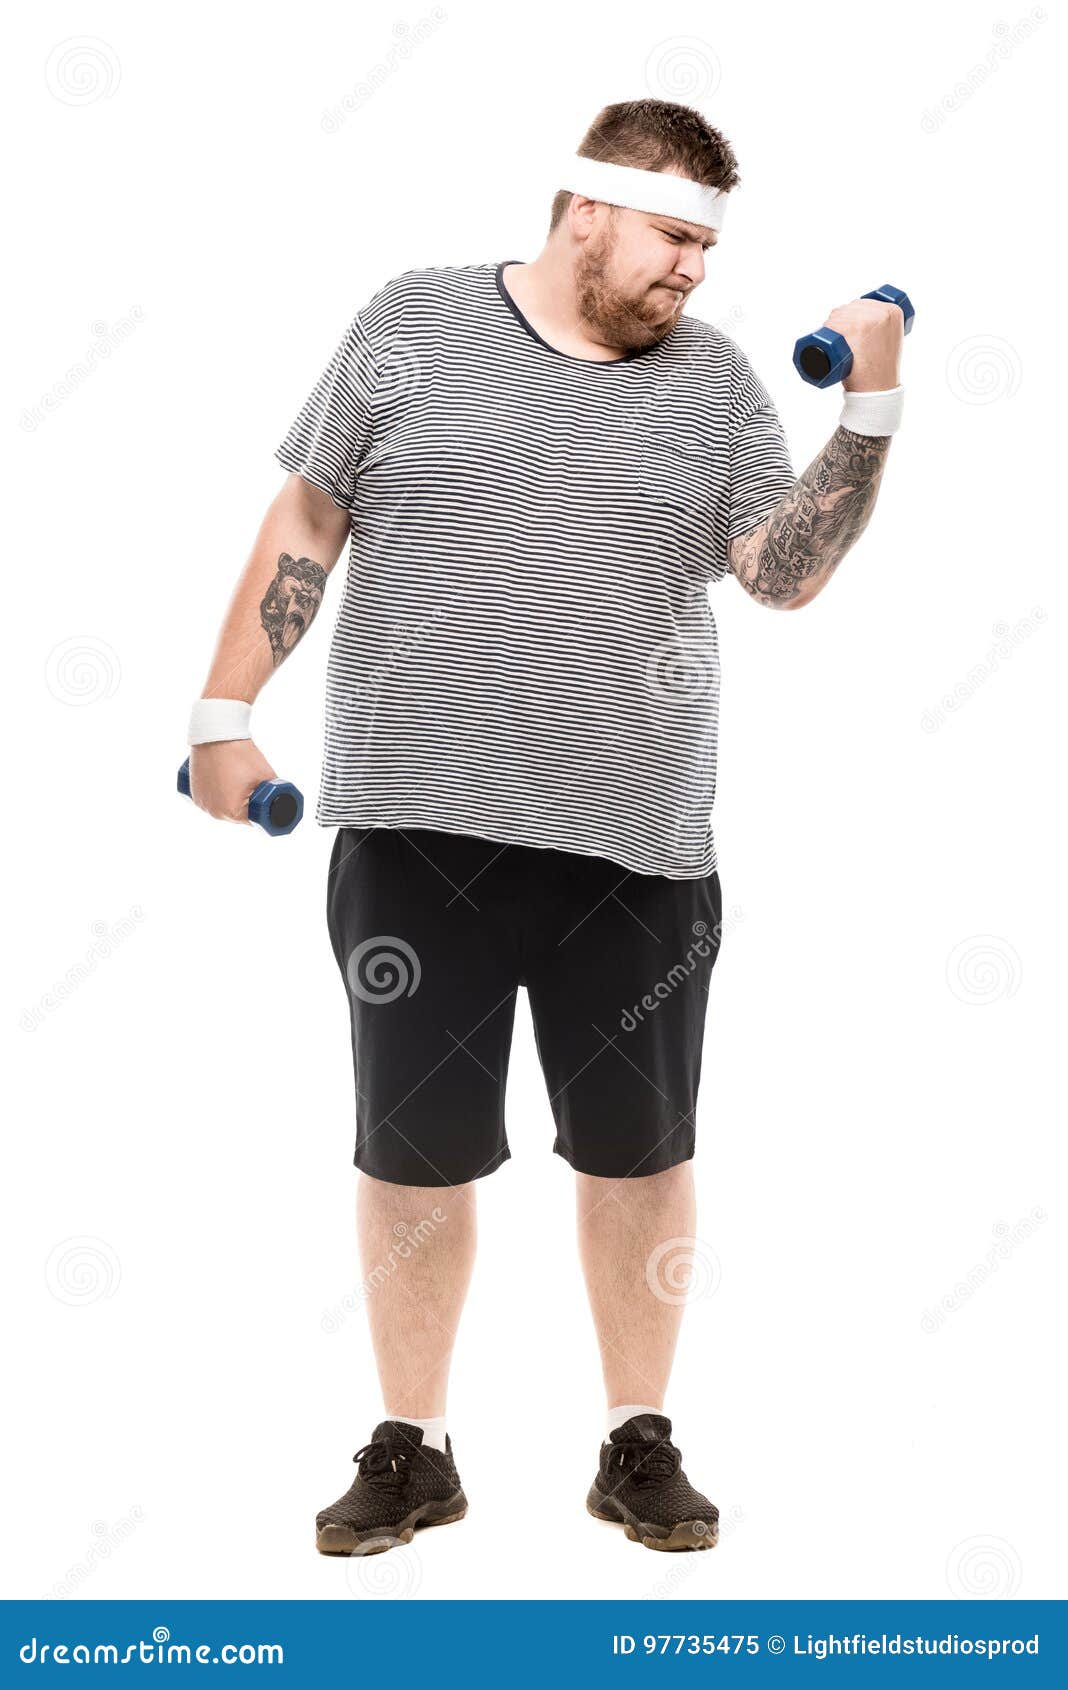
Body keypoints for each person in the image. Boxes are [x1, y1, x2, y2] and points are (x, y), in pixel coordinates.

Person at [186, 98, 904, 1556]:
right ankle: (414, 1447)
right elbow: (311, 517)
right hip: (414, 828)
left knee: (638, 1153)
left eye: (708, 245)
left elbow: (780, 574)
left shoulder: (713, 386)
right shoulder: (412, 322)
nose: (692, 267)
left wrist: (871, 410)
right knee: (410, 1153)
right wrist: (221, 711)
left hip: (636, 847)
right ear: (587, 209)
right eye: (672, 235)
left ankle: (638, 1441)